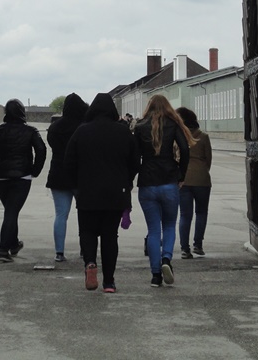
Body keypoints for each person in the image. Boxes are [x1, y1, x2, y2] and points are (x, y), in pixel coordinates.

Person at [62, 92, 139, 293]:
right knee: (110, 236)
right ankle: (109, 282)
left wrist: (76, 185)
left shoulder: (82, 131)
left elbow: (69, 162)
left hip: (87, 192)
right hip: (115, 192)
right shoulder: (123, 132)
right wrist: (127, 181)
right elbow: (135, 161)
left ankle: (90, 263)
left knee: (87, 231)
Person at [134, 93, 194, 287]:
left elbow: (134, 156)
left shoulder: (140, 126)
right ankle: (166, 259)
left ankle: (155, 275)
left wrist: (136, 173)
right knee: (169, 225)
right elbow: (185, 149)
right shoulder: (173, 124)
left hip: (147, 182)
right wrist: (181, 174)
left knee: (153, 230)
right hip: (169, 180)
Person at [0, 98, 47, 262]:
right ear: (22, 112)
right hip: (22, 176)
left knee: (10, 210)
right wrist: (35, 170)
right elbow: (41, 149)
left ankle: (14, 244)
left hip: (1, 176)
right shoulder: (30, 131)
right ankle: (2, 250)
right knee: (11, 212)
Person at [44, 92, 88, 262]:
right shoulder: (84, 127)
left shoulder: (54, 127)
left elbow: (52, 145)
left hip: (58, 174)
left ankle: (59, 252)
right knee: (84, 214)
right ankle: (85, 249)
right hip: (80, 175)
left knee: (61, 215)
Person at [176, 107, 212, 259]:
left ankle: (185, 249)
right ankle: (198, 245)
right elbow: (208, 158)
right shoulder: (203, 137)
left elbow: (174, 157)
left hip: (183, 179)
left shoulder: (178, 136)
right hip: (202, 179)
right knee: (201, 212)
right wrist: (202, 170)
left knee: (185, 215)